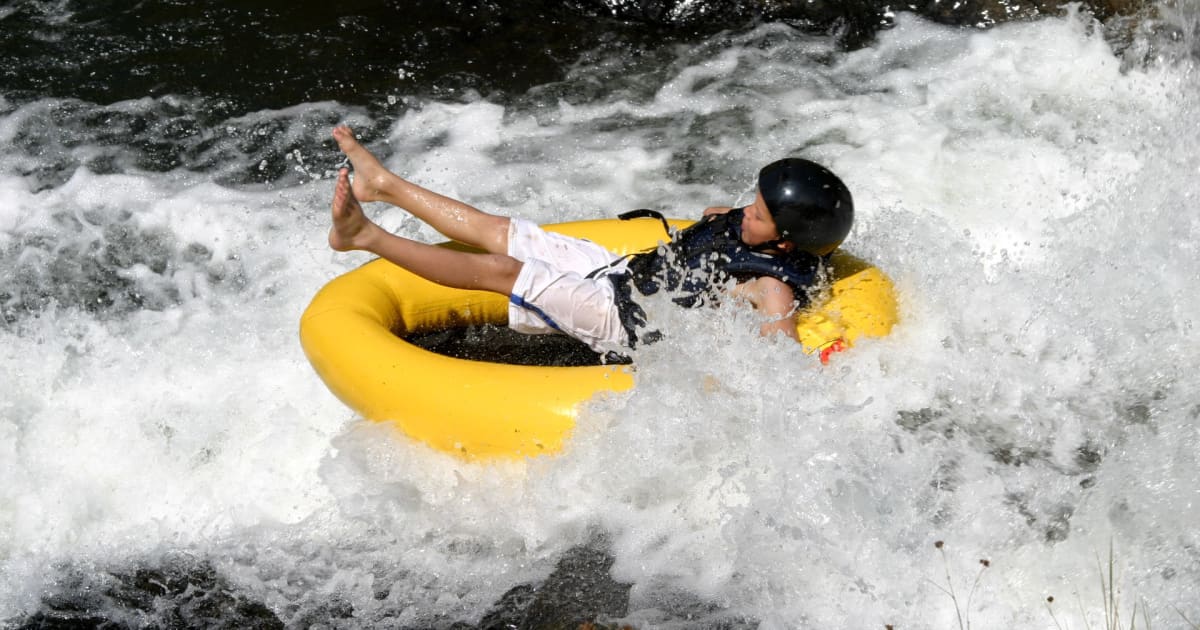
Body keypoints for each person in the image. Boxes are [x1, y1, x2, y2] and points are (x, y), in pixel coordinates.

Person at [327, 125, 853, 355]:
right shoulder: (748, 228)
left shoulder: (773, 286)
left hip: (624, 320)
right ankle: (385, 185)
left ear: (784, 244)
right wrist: (727, 221)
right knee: (499, 231)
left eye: (758, 213)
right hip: (623, 271)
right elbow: (716, 219)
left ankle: (364, 235)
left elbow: (779, 361)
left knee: (501, 271)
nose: (743, 212)